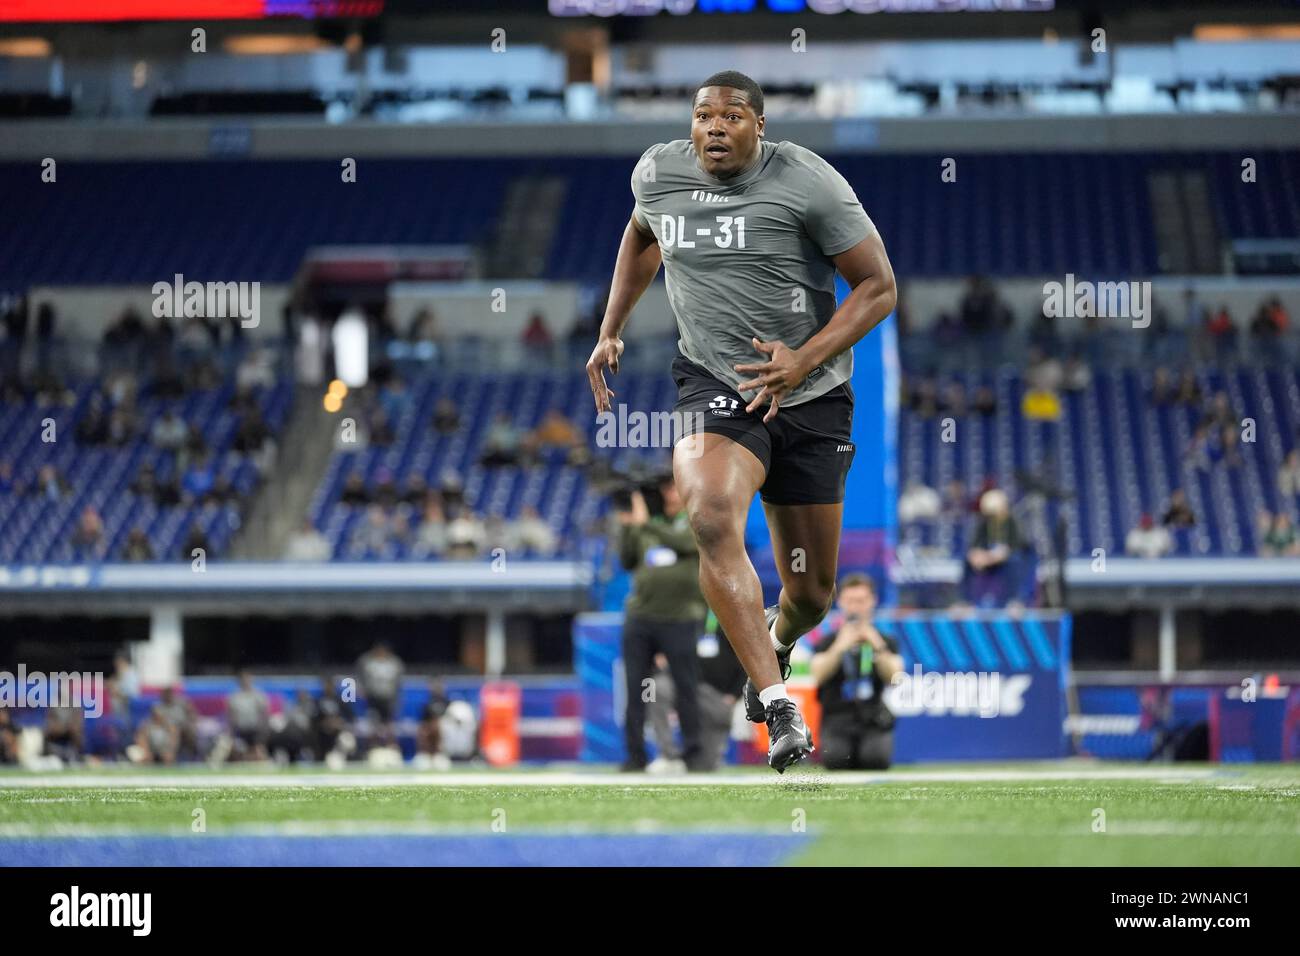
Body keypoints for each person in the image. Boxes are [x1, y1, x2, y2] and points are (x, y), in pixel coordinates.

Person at [587, 70, 896, 772]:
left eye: (729, 117)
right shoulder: (658, 173)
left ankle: (781, 637)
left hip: (811, 394)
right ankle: (778, 703)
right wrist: (611, 327)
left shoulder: (809, 183)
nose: (714, 128)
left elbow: (879, 287)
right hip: (715, 383)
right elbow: (643, 235)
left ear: (759, 125)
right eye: (702, 116)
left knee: (812, 592)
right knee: (711, 512)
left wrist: (802, 360)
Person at [616, 478, 708, 772]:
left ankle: (693, 754)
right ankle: (635, 756)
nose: (670, 494)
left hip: (681, 617)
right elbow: (627, 559)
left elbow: (683, 543)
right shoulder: (648, 525)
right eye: (666, 489)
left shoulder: (695, 520)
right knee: (635, 688)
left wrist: (646, 524)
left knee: (686, 687)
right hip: (641, 618)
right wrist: (629, 525)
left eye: (674, 487)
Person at [810, 575, 904, 770]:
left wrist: (877, 645)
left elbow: (895, 677)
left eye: (861, 601)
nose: (855, 607)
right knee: (836, 761)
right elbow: (818, 675)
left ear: (872, 601)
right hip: (836, 717)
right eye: (850, 601)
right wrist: (840, 647)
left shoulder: (885, 641)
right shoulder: (828, 642)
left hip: (873, 717)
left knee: (875, 760)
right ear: (841, 602)